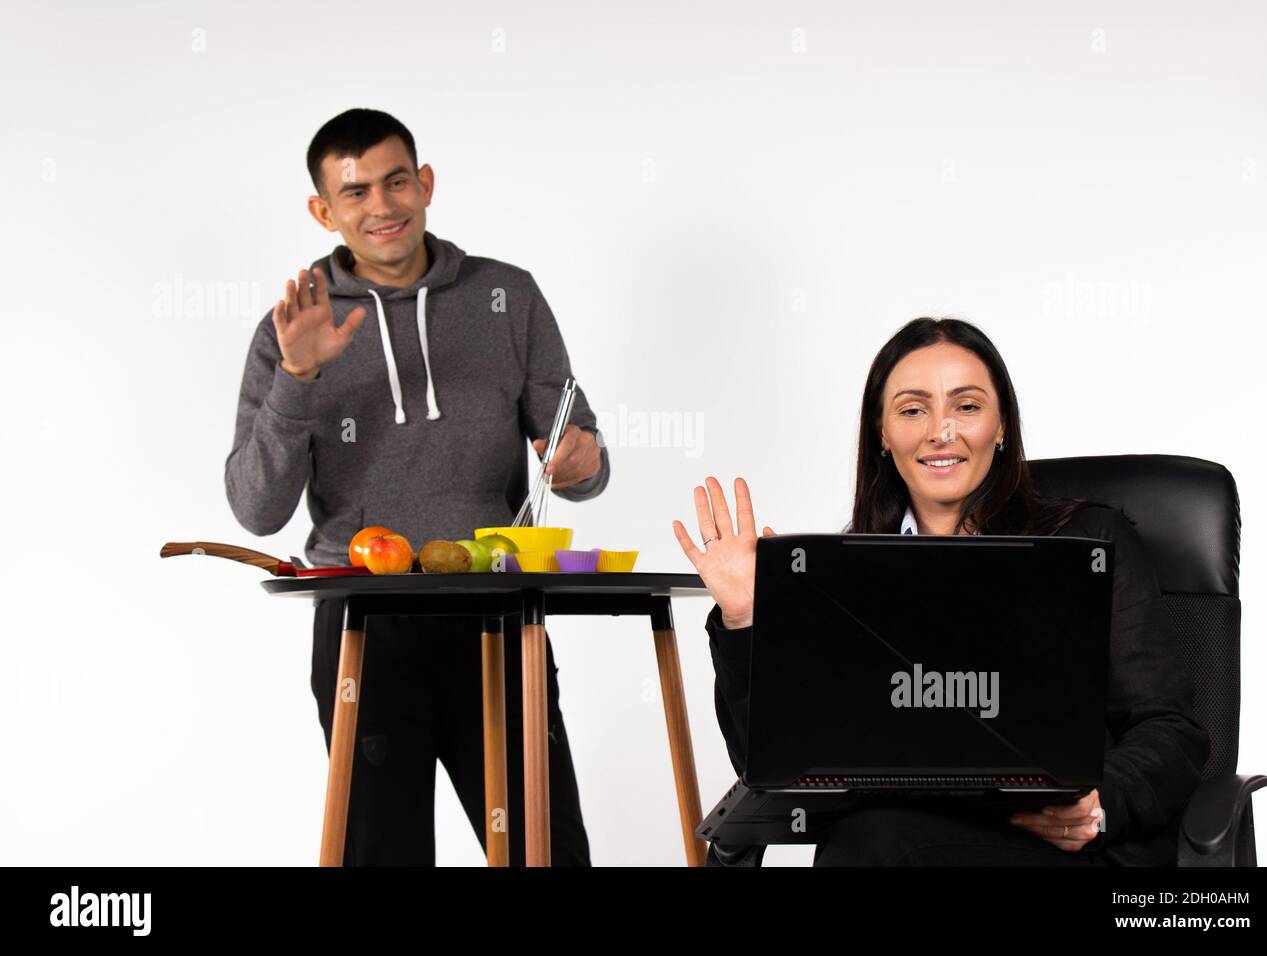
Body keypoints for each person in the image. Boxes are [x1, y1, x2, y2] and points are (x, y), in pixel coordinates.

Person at [672, 317, 1211, 866]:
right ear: (882, 433)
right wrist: (748, 620)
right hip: (897, 839)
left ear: (1002, 425)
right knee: (861, 841)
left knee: (868, 846)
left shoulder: (1088, 543)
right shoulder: (840, 577)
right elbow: (773, 767)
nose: (941, 431)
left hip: (1062, 849)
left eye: (967, 406)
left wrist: (1103, 804)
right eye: (912, 409)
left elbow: (1169, 727)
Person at [225, 108, 609, 865]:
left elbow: (580, 455)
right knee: (383, 856)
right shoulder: (291, 327)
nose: (382, 206)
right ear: (322, 210)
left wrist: (580, 462)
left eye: (397, 181)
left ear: (425, 183)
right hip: (365, 630)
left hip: (498, 614)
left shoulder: (508, 296)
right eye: (356, 191)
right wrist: (299, 377)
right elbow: (256, 510)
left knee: (548, 852)